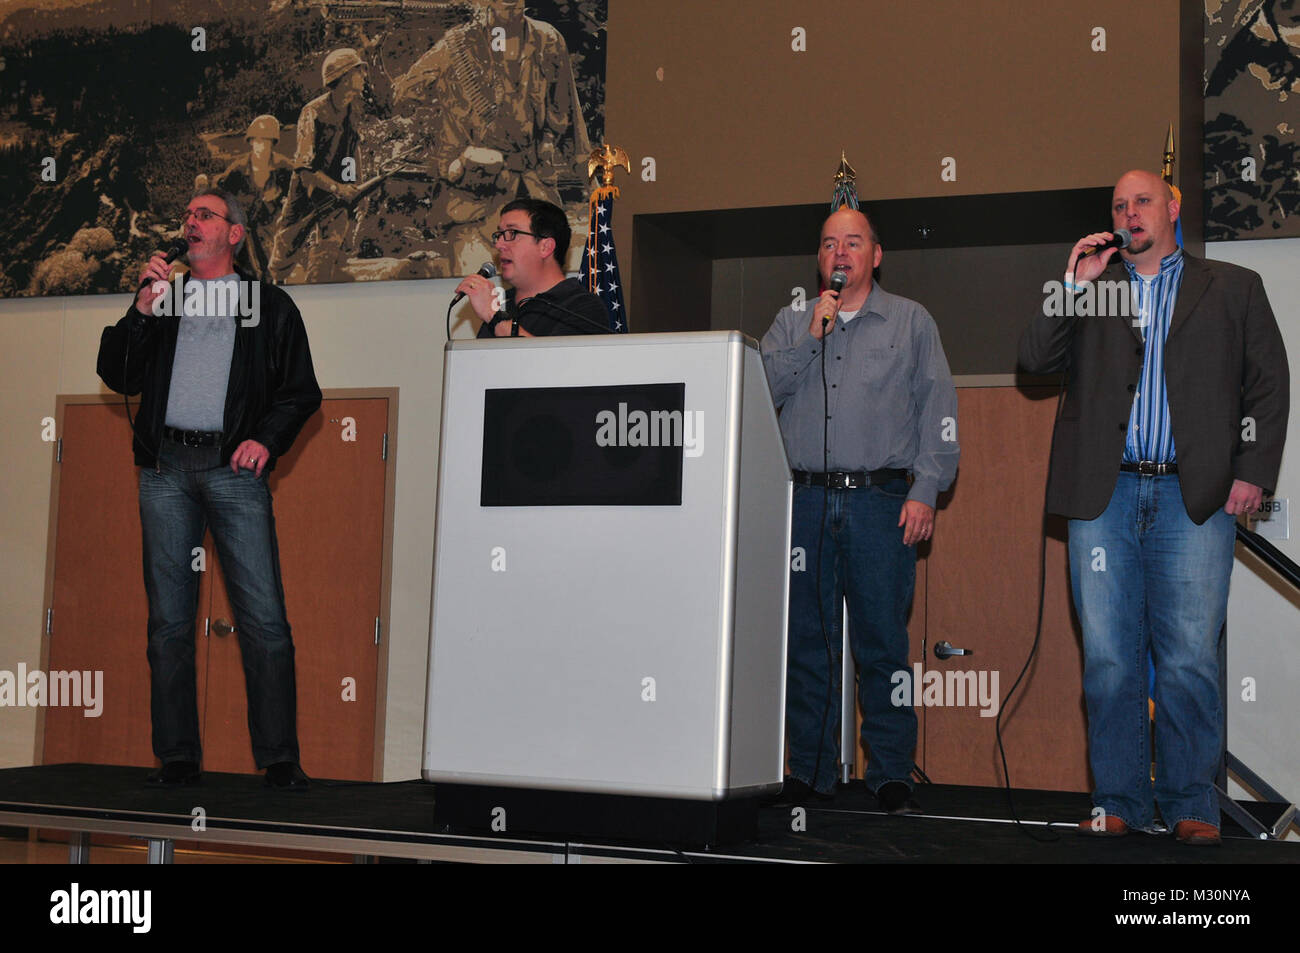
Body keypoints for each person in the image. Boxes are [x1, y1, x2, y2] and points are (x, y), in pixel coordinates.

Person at [1018, 169, 1290, 845]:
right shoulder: (1094, 289)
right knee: (1109, 656)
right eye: (1118, 204)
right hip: (1103, 495)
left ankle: (1192, 801)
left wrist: (1252, 471)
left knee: (1190, 656)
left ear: (1171, 209)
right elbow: (1033, 358)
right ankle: (1119, 799)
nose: (1129, 211)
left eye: (1142, 200)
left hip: (1191, 496)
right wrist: (1071, 285)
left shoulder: (1232, 286)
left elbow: (1269, 384)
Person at [97, 189, 322, 790]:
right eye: (188, 215)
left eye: (205, 216)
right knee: (168, 624)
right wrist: (141, 309)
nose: (190, 223)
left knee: (264, 619)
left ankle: (278, 759)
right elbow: (117, 373)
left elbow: (301, 391)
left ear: (235, 234)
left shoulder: (267, 306)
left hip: (233, 472)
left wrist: (267, 441)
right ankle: (176, 757)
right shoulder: (162, 299)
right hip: (165, 471)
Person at [760, 207, 959, 812]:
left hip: (881, 502)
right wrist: (809, 340)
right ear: (818, 259)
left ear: (876, 255)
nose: (839, 253)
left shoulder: (911, 322)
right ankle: (812, 770)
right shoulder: (793, 320)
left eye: (853, 242)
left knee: (883, 644)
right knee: (807, 643)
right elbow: (759, 392)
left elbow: (938, 411)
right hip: (805, 502)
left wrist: (927, 488)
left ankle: (891, 770)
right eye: (827, 244)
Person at [392, 0, 591, 275]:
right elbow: (402, 96)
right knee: (480, 295)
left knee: (546, 299)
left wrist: (572, 161)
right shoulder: (458, 44)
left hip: (536, 194)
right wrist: (457, 152)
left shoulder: (548, 39)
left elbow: (566, 108)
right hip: (478, 199)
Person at [268, 48, 367, 284]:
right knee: (286, 245)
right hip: (308, 188)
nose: (364, 74)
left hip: (336, 188)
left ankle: (317, 289)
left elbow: (353, 151)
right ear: (343, 78)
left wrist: (357, 186)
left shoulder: (354, 108)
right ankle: (276, 285)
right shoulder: (312, 112)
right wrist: (338, 188)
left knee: (330, 242)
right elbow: (304, 170)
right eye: (358, 71)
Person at [455, 197, 608, 337]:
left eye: (511, 233)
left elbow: (556, 364)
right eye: (500, 234)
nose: (499, 244)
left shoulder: (581, 307)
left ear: (545, 247)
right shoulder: (501, 302)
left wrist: (494, 318)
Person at [215, 114, 295, 282]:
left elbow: (296, 192)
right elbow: (220, 194)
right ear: (251, 142)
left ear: (273, 143)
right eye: (257, 141)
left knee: (273, 269)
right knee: (247, 271)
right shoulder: (238, 169)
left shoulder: (284, 166)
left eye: (266, 142)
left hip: (270, 225)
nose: (261, 146)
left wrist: (282, 200)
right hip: (243, 225)